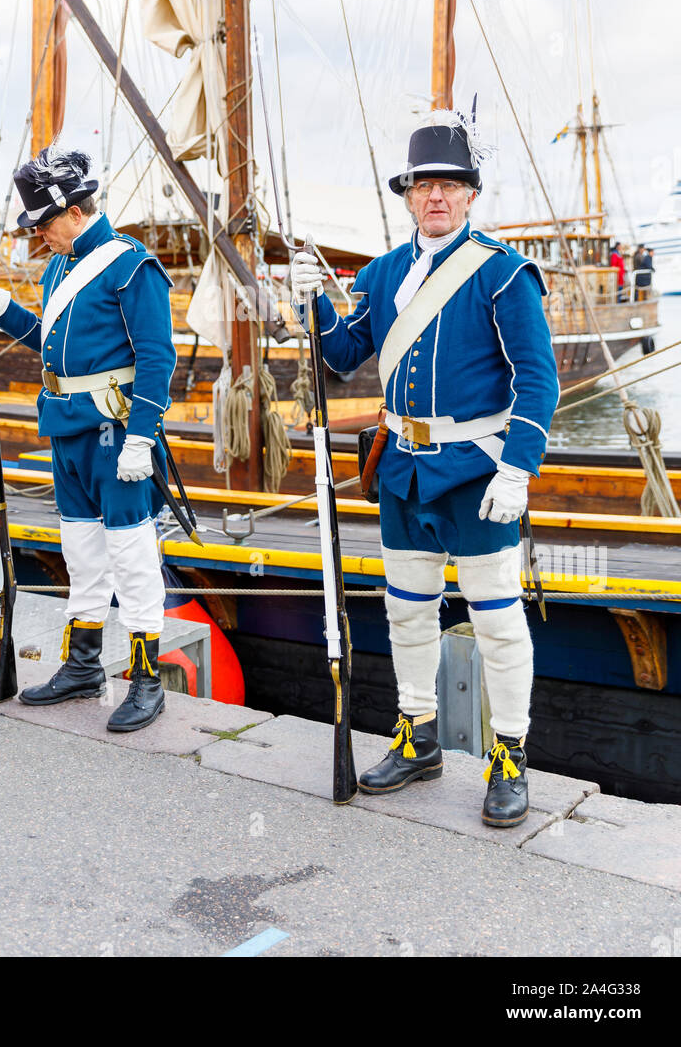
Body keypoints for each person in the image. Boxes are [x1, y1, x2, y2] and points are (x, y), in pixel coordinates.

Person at [290, 111, 559, 828]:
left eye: (451, 184)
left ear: (471, 195)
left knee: (498, 622)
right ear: (407, 195)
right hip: (403, 470)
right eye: (424, 185)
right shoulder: (380, 276)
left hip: (477, 471)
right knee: (406, 613)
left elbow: (538, 380)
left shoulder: (503, 274)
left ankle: (509, 756)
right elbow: (342, 355)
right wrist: (309, 300)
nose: (436, 196)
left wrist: (519, 470)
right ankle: (419, 735)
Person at [0, 147, 177, 732]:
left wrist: (142, 438)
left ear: (73, 212)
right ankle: (83, 664)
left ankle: (145, 677)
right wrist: (3, 309)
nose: (39, 237)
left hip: (114, 433)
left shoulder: (132, 265)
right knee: (82, 553)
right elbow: (51, 345)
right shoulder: (60, 265)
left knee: (132, 555)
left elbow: (158, 358)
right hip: (66, 426)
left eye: (43, 224)